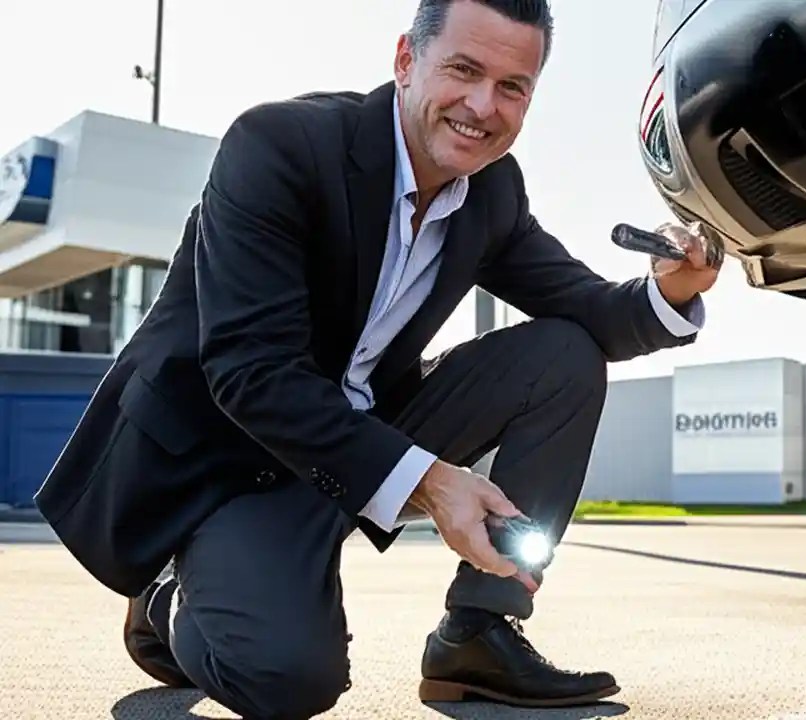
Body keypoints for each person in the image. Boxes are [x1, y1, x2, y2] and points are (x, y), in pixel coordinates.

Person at [32, 0, 721, 716]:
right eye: (464, 70)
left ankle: (479, 632)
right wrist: (428, 482)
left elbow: (590, 312)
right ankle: (175, 600)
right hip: (236, 460)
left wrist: (673, 288)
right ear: (404, 61)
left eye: (513, 87)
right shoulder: (279, 147)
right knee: (289, 679)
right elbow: (251, 373)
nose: (484, 106)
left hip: (360, 434)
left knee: (564, 354)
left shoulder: (492, 191)